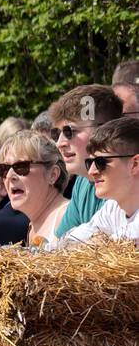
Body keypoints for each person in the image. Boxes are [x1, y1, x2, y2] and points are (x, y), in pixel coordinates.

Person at [48, 85, 124, 235]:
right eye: (56, 134)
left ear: (104, 131)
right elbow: (61, 244)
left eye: (70, 132)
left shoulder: (127, 180)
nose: (60, 143)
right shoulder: (82, 182)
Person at [57, 117, 139, 246]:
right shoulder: (113, 208)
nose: (92, 171)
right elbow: (70, 241)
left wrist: (98, 243)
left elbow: (124, 245)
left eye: (101, 162)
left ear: (134, 164)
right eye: (90, 162)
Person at [0, 131, 70, 247]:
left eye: (21, 166)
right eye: (4, 169)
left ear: (52, 175)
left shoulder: (66, 216)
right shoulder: (32, 225)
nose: (10, 176)